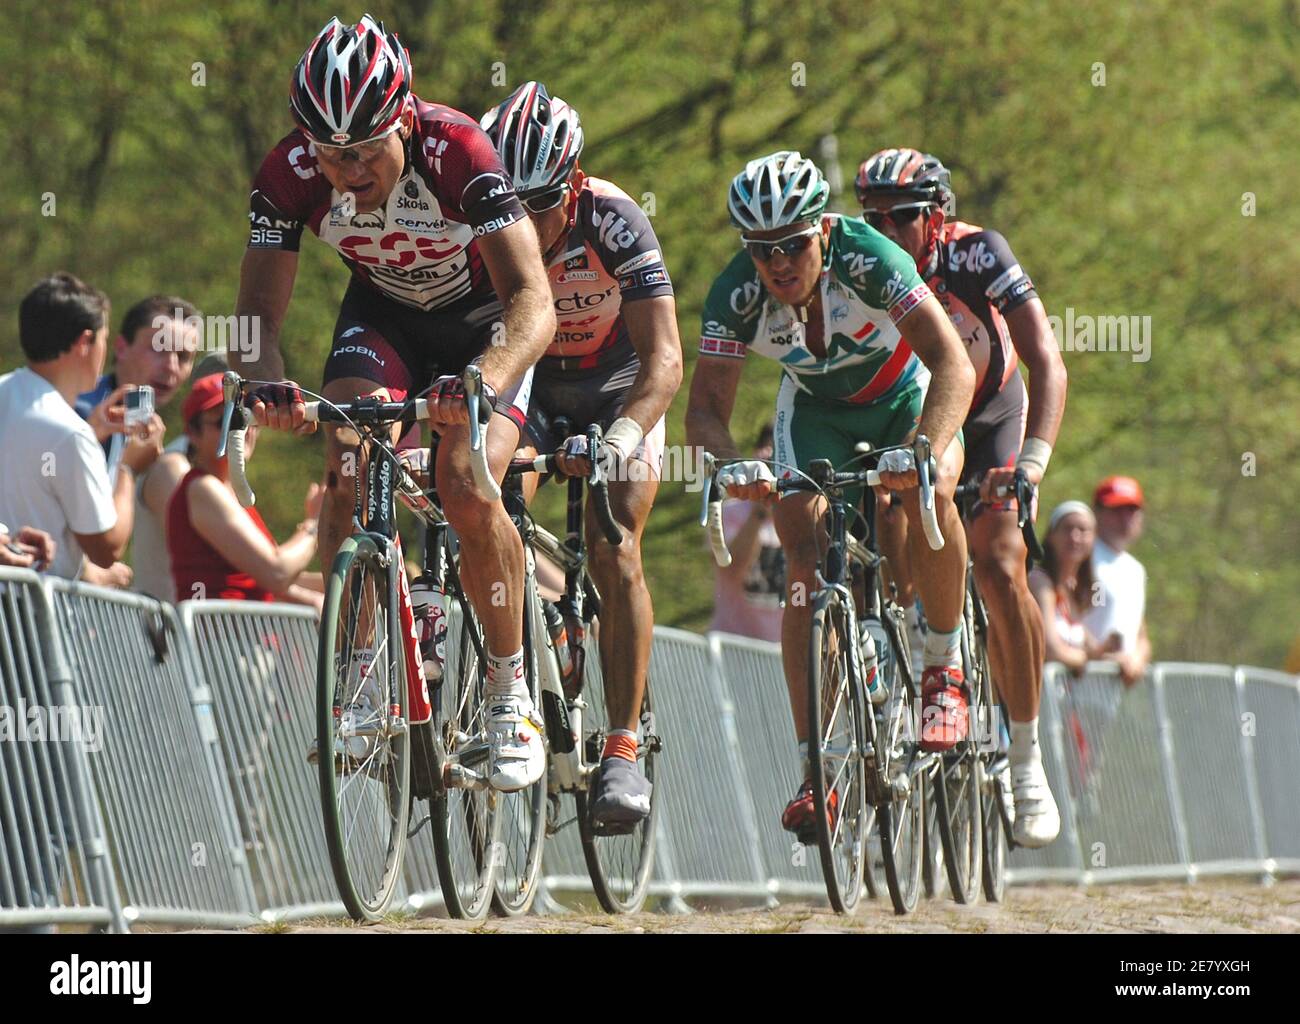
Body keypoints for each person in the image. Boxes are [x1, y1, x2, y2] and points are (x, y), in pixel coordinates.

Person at [235, 16, 556, 792]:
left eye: (364, 151)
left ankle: (512, 698)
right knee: (345, 462)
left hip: (487, 326)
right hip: (385, 320)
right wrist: (268, 388)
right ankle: (356, 682)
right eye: (328, 152)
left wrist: (485, 374)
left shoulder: (459, 151)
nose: (344, 172)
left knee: (464, 476)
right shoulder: (287, 175)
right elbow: (255, 325)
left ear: (404, 120)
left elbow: (534, 300)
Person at [685, 151, 974, 839]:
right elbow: (703, 414)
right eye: (761, 250)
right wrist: (732, 467)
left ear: (822, 231)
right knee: (805, 569)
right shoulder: (736, 295)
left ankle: (943, 667)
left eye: (792, 244)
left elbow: (951, 364)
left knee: (928, 495)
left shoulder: (869, 258)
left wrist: (925, 448)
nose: (779, 262)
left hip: (905, 398)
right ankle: (816, 771)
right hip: (815, 414)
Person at [480, 81, 682, 829]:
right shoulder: (482, 222)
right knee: (487, 498)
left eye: (541, 204)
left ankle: (623, 747)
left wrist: (624, 437)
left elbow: (665, 359)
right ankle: (507, 658)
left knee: (614, 540)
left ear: (571, 182)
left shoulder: (617, 221)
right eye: (512, 205)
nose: (525, 224)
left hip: (617, 388)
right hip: (533, 383)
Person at [854, 148, 1066, 845]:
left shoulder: (978, 255)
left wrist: (1031, 463)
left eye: (902, 217)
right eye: (872, 216)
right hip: (916, 417)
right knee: (888, 508)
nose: (885, 228)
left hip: (990, 411)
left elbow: (1044, 358)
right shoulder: (861, 265)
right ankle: (917, 634)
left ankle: (1027, 757)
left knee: (1002, 566)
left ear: (936, 216)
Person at [0, 274, 162, 582]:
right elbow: (106, 548)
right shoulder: (69, 431)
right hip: (35, 617)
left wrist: (93, 430)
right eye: (103, 339)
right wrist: (128, 469)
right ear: (85, 342)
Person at [76, 296, 204, 599]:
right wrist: (84, 569)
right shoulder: (80, 411)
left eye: (184, 356)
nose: (171, 367)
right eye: (159, 348)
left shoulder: (138, 424)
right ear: (121, 347)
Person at [166, 374, 322, 608]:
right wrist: (316, 523)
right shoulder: (203, 488)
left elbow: (269, 578)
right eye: (226, 422)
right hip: (223, 641)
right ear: (193, 434)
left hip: (243, 639)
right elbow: (277, 572)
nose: (241, 430)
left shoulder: (231, 493)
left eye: (246, 419)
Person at [708, 423, 785, 643]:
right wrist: (758, 515)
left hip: (781, 652)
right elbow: (730, 569)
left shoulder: (796, 517)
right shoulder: (728, 513)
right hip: (734, 648)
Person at [1029, 501, 1115, 673]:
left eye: (1083, 531)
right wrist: (1084, 660)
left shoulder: (1075, 589)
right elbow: (1050, 648)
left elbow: (1092, 649)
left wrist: (1113, 654)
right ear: (1051, 535)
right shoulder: (1040, 582)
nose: (1075, 537)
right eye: (1067, 528)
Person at [1085, 475, 1151, 686]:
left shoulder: (1135, 570)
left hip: (1111, 693)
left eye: (1131, 511)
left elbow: (1140, 633)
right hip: (1075, 687)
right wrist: (1099, 652)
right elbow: (1063, 616)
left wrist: (1137, 659)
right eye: (1116, 510)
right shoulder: (1082, 557)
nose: (1125, 519)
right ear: (1097, 513)